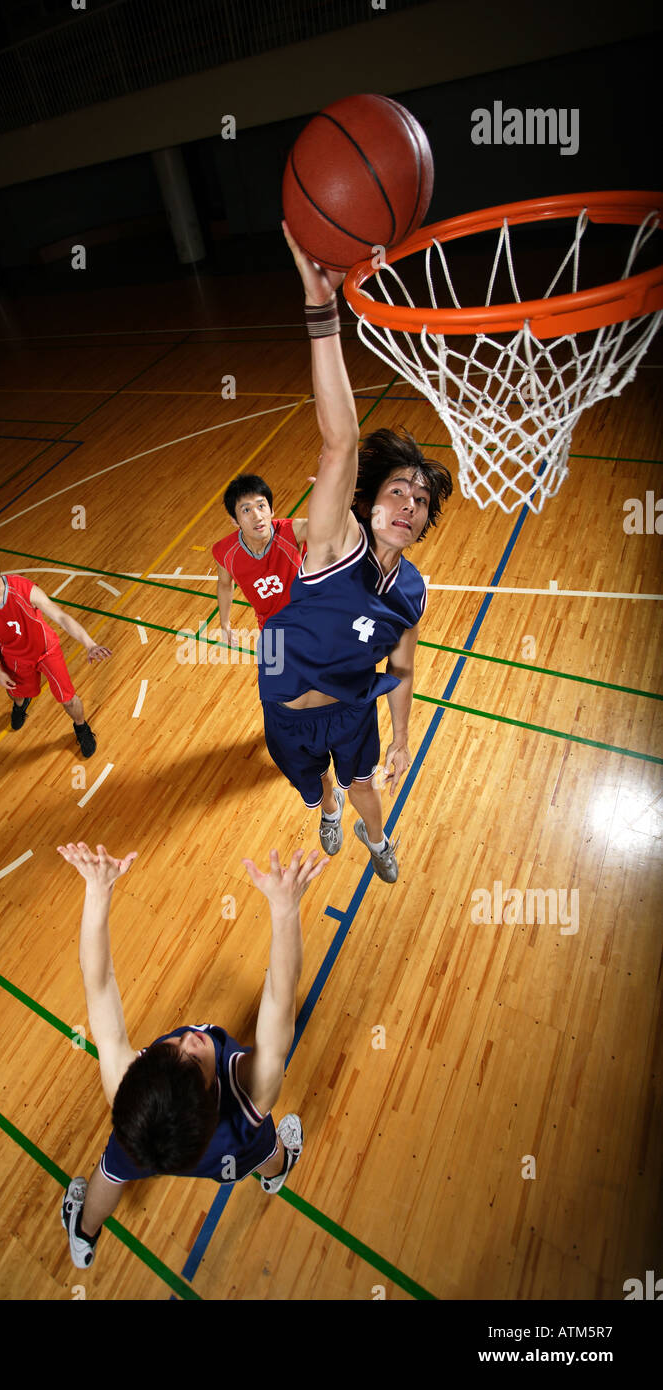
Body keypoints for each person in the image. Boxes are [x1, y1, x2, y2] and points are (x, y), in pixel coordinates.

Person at [257, 225, 453, 880]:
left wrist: (404, 735)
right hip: (287, 714)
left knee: (368, 790)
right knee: (315, 791)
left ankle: (377, 840)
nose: (408, 503)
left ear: (423, 525)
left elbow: (401, 659)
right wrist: (323, 314)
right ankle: (326, 806)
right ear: (369, 504)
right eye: (398, 490)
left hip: (353, 710)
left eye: (421, 502)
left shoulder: (412, 591)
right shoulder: (336, 542)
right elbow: (339, 441)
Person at [56, 839, 326, 1270]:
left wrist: (97, 891)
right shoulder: (250, 1100)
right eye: (194, 1057)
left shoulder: (126, 1091)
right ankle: (276, 1174)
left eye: (173, 1047)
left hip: (147, 1147)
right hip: (232, 1157)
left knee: (110, 1173)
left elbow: (99, 983)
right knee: (267, 1147)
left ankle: (83, 1231)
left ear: (141, 1068)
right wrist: (285, 910)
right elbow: (280, 996)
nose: (188, 1041)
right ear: (210, 1090)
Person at [0, 538, 111, 757]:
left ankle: (81, 727)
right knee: (16, 695)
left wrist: (89, 643)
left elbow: (60, 616)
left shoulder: (23, 588)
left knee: (68, 699)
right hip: (14, 658)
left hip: (46, 651)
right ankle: (21, 704)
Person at [212, 475, 307, 646]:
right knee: (271, 672)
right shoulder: (225, 552)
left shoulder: (292, 531)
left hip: (311, 622)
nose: (258, 516)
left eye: (261, 506)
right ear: (234, 520)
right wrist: (224, 623)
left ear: (271, 510)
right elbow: (225, 584)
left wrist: (334, 489)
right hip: (273, 630)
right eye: (246, 510)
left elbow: (331, 525)